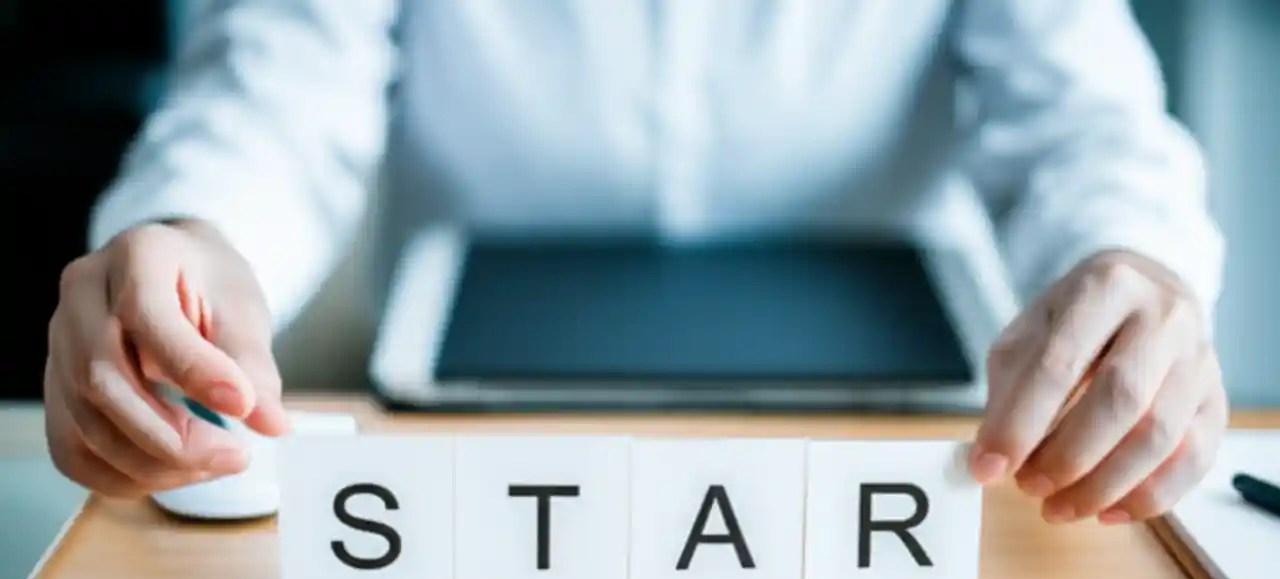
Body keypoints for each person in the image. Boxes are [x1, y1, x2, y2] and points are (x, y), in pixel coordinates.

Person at [44, 0, 1227, 526]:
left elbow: (1083, 113)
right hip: (462, 430)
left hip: (912, 436)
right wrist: (193, 231)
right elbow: (275, 87)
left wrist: (1134, 259)